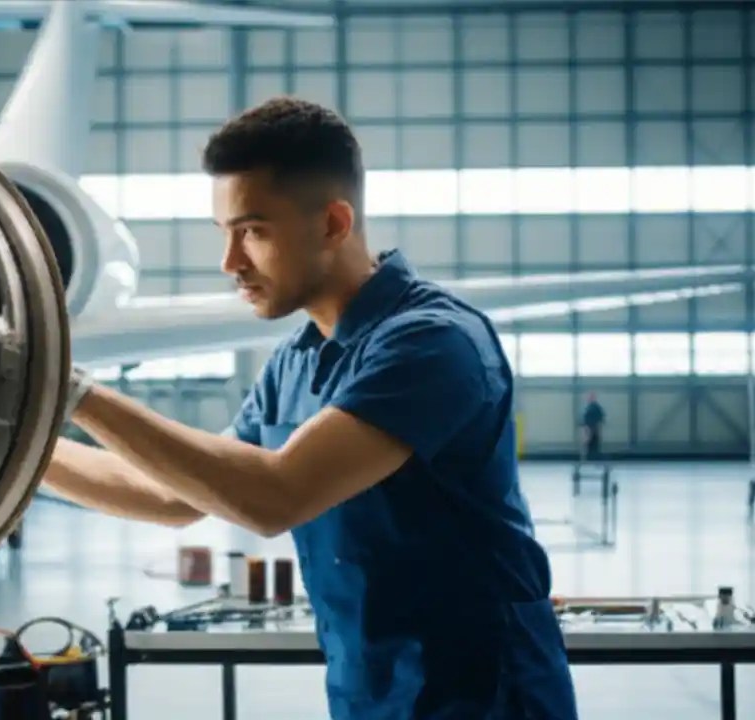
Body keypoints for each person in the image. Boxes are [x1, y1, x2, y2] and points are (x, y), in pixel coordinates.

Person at [43, 97, 578, 719]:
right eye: (226, 234)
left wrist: (70, 389)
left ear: (333, 223)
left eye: (253, 231)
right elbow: (174, 496)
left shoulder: (434, 341)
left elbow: (275, 497)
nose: (231, 263)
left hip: (483, 700)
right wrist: (12, 446)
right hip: (369, 694)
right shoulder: (297, 361)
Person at [581, 393, 605, 462]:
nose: (588, 399)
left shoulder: (594, 408)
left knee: (592, 445)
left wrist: (588, 429)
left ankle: (592, 459)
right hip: (591, 429)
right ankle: (591, 459)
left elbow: (599, 419)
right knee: (591, 445)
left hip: (592, 429)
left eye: (590, 397)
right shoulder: (591, 407)